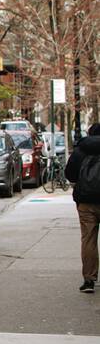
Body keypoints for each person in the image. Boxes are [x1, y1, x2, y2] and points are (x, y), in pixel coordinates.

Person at [64, 123, 100, 293]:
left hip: (86, 201)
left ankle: (89, 280)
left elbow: (69, 174)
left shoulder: (81, 149)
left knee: (88, 239)